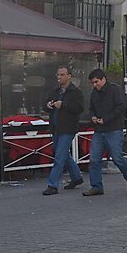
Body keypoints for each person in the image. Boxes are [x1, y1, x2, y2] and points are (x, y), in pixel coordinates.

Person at [84, 68, 127, 196]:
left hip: (114, 129)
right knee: (94, 159)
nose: (94, 85)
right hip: (99, 130)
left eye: (96, 82)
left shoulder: (115, 90)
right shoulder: (94, 93)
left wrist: (106, 119)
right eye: (92, 83)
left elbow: (121, 107)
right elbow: (91, 109)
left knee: (117, 157)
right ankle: (96, 186)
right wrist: (92, 117)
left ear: (103, 79)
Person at [42, 65, 85, 195]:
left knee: (59, 156)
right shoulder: (55, 91)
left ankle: (52, 184)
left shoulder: (76, 92)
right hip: (55, 127)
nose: (59, 77)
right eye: (58, 75)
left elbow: (80, 108)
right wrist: (48, 105)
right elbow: (44, 104)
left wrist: (64, 105)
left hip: (68, 128)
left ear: (69, 76)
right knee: (63, 154)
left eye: (62, 75)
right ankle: (76, 177)